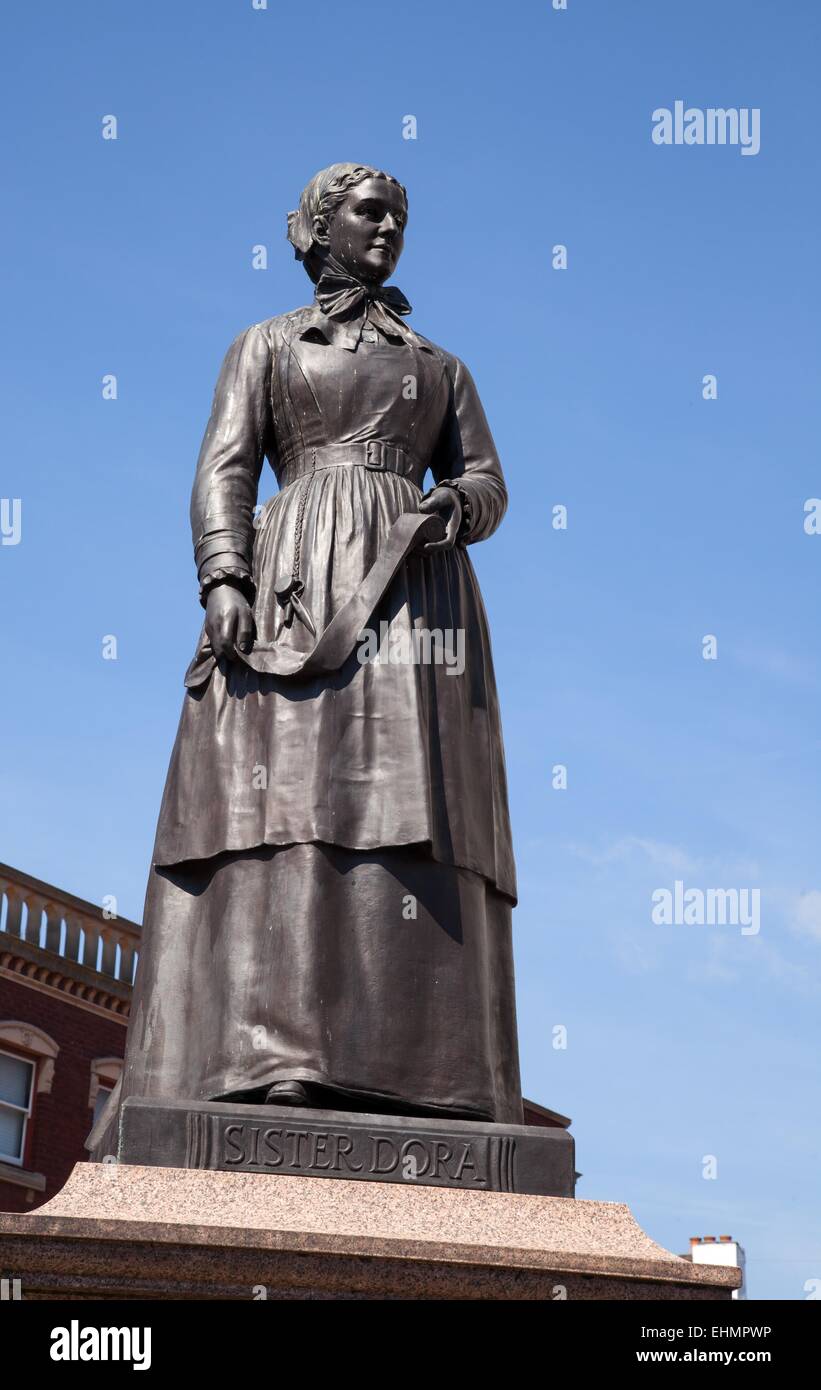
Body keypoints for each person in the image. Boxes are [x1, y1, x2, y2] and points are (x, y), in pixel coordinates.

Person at [91, 162, 522, 1156]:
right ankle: (261, 1051)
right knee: (285, 801)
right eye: (369, 212)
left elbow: (487, 478)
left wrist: (449, 508)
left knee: (405, 809)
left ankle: (426, 1070)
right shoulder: (265, 345)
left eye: (399, 216)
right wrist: (223, 577)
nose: (387, 229)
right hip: (293, 577)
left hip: (413, 591)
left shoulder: (439, 365)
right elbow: (225, 467)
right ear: (314, 227)